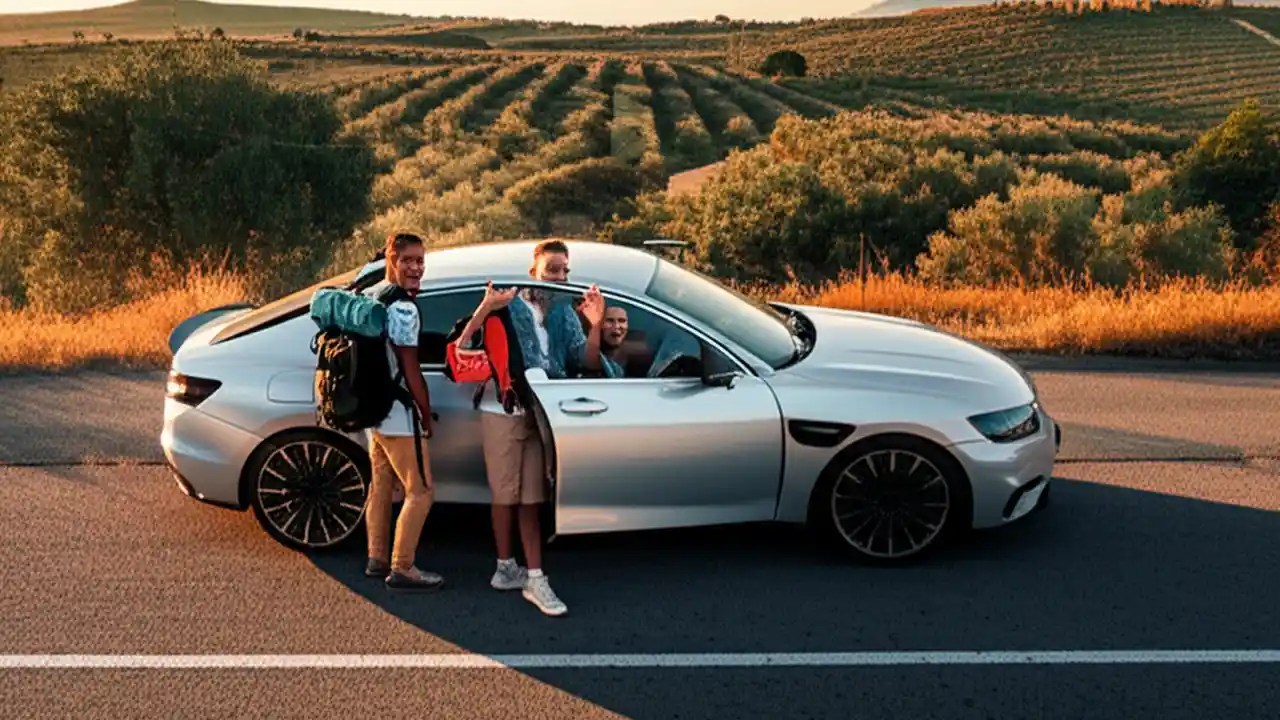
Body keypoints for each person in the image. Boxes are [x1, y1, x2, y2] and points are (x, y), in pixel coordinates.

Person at [456, 239, 621, 616]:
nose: (560, 277)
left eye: (565, 270)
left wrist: (595, 326)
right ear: (534, 271)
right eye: (552, 270)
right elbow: (464, 345)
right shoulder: (507, 304)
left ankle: (535, 575)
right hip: (503, 409)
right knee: (504, 494)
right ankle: (505, 567)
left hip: (544, 412)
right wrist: (486, 307)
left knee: (533, 496)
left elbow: (587, 361)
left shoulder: (564, 312)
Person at [364, 232, 443, 592]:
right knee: (421, 490)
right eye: (408, 260)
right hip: (397, 412)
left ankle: (376, 557)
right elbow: (412, 370)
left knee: (381, 486)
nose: (416, 268)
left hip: (374, 410)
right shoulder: (404, 308)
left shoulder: (373, 296)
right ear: (392, 261)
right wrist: (426, 412)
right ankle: (403, 566)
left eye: (420, 261)